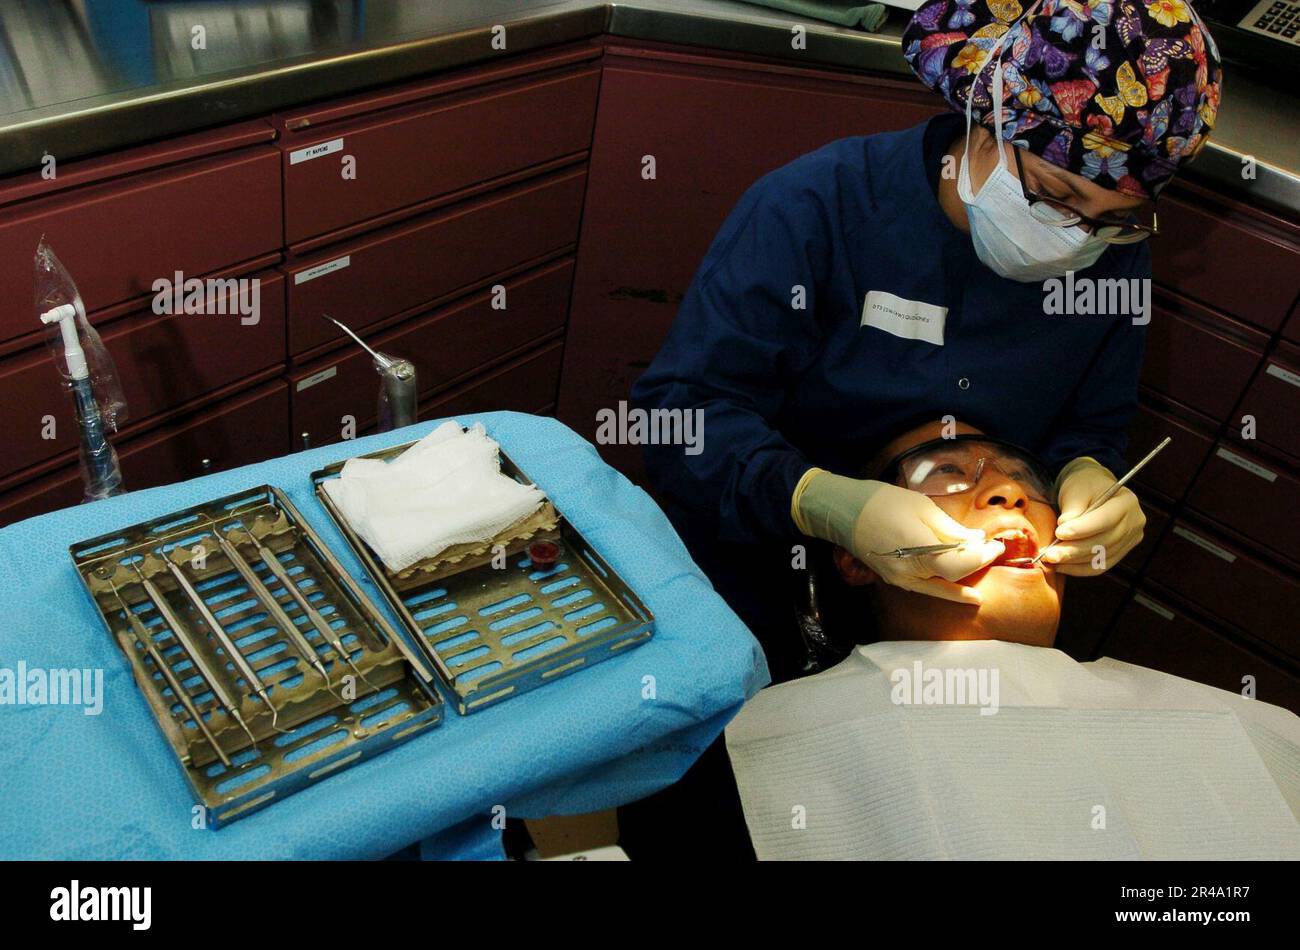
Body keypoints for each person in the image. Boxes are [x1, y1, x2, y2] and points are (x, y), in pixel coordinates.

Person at [620, 0, 1223, 859]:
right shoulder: (816, 208)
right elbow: (682, 412)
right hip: (749, 563)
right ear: (987, 118)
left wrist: (1091, 473)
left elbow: (1089, 424)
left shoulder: (1108, 256)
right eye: (1053, 196)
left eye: (1110, 219)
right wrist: (819, 501)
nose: (1075, 237)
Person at [724, 419, 1300, 860]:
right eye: (945, 472)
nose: (1007, 490)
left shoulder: (1235, 721)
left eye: (1027, 479)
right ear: (859, 556)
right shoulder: (772, 737)